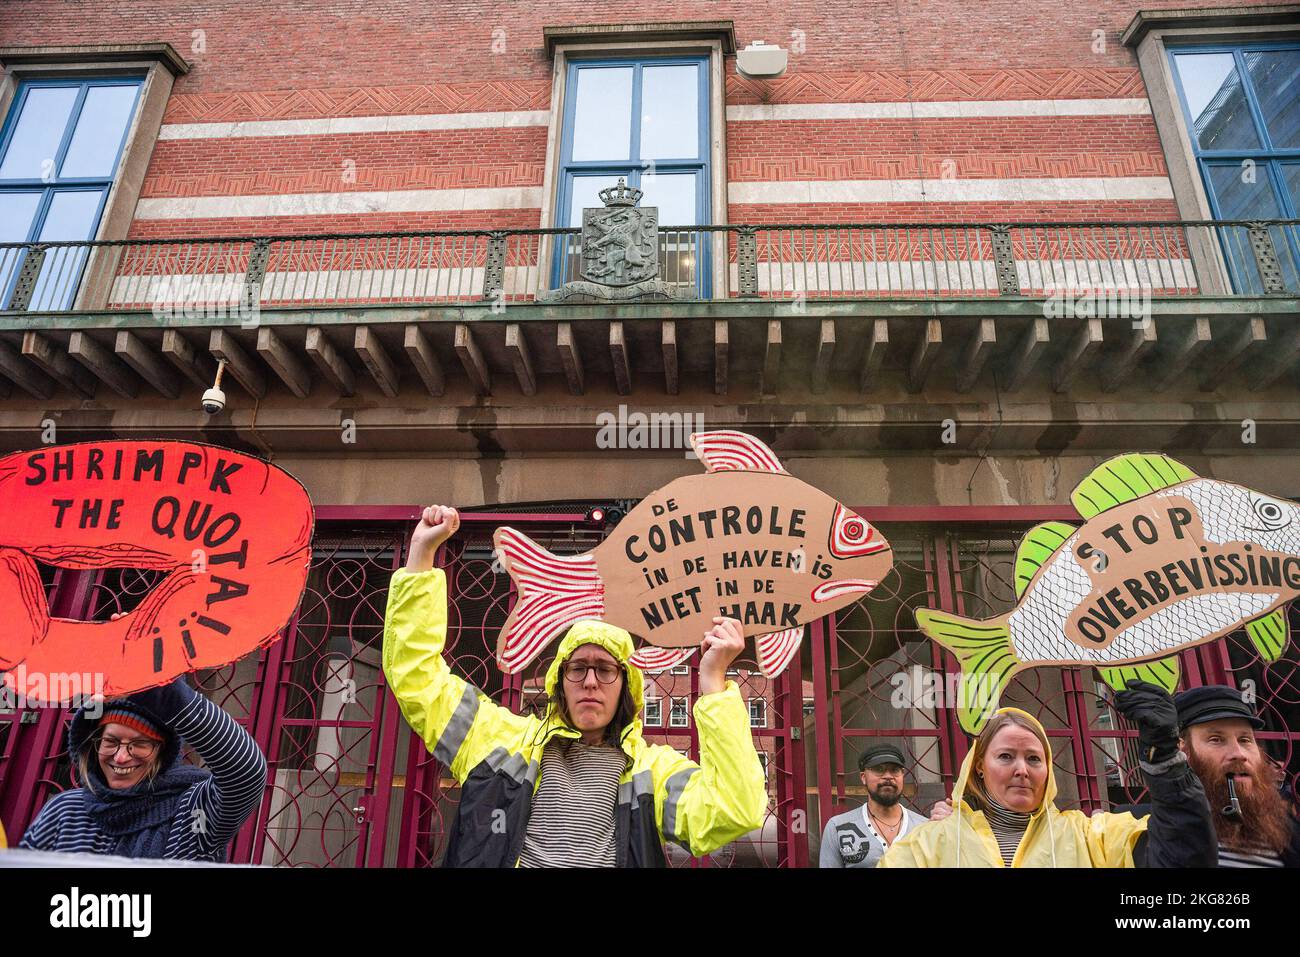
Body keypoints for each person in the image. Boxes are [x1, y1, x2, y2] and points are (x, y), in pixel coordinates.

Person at [384, 504, 767, 867]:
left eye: (605, 669)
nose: (590, 681)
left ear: (625, 684)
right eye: (578, 668)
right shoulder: (497, 740)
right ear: (560, 680)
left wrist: (713, 682)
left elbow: (733, 810)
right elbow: (418, 679)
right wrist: (420, 556)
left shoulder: (653, 772)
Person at [878, 681, 1216, 867]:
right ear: (979, 766)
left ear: (1048, 769)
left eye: (1034, 759)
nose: (1022, 770)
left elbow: (1183, 857)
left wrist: (1165, 761)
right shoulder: (926, 847)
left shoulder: (1090, 837)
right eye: (1005, 756)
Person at [19, 676, 267, 860]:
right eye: (110, 742)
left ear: (162, 752)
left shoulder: (195, 814)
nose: (121, 757)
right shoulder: (64, 811)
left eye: (139, 744)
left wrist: (156, 685)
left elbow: (246, 771)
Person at [1174, 684, 1299, 867]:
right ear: (1182, 751)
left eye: (1245, 740)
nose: (1239, 754)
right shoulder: (1148, 832)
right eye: (1216, 739)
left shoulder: (1288, 833)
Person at [819, 744, 930, 868]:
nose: (888, 776)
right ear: (863, 777)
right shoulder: (838, 827)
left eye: (894, 770)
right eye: (879, 769)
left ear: (902, 775)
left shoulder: (925, 828)